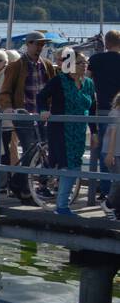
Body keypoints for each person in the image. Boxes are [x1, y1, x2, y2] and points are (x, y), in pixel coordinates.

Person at [0, 30, 57, 203]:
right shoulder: (16, 66)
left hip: (42, 115)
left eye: (42, 44)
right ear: (28, 44)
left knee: (42, 150)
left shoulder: (46, 65)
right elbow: (5, 91)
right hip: (23, 114)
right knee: (31, 149)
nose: (40, 47)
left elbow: (51, 90)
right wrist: (8, 108)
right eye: (37, 44)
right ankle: (25, 189)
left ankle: (21, 183)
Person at [38, 48, 96, 216]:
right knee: (67, 166)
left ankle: (62, 204)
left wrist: (95, 132)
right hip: (60, 130)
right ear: (70, 64)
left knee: (75, 166)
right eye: (80, 63)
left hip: (79, 131)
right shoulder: (59, 81)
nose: (84, 66)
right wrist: (43, 111)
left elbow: (92, 108)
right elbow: (41, 97)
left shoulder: (89, 83)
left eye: (86, 63)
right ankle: (62, 206)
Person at [87, 30, 120, 204]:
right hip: (118, 109)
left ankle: (105, 188)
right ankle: (113, 190)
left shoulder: (95, 59)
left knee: (103, 150)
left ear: (106, 43)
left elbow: (87, 81)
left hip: (101, 109)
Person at [103, 92, 120, 217]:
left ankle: (116, 210)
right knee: (117, 180)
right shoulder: (115, 113)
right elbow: (112, 134)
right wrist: (110, 153)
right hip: (113, 152)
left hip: (117, 152)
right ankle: (108, 204)